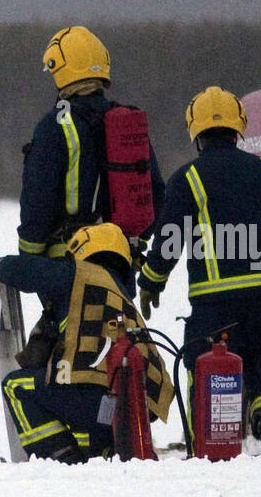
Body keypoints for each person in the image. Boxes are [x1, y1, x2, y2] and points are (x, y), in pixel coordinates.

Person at [137, 86, 261, 454]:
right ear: (239, 128)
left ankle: (207, 438)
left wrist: (152, 281)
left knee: (202, 364)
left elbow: (170, 238)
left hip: (213, 305)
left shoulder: (187, 179)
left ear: (195, 132)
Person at [13, 26, 166, 366]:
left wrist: (28, 261)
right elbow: (154, 195)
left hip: (68, 271)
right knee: (115, 366)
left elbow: (36, 204)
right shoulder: (127, 125)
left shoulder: (55, 126)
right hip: (121, 268)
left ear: (60, 69)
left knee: (62, 372)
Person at [0, 223, 173, 463]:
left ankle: (63, 458)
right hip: (133, 409)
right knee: (78, 388)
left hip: (97, 402)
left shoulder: (77, 274)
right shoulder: (121, 296)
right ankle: (102, 450)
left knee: (16, 386)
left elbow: (26, 270)